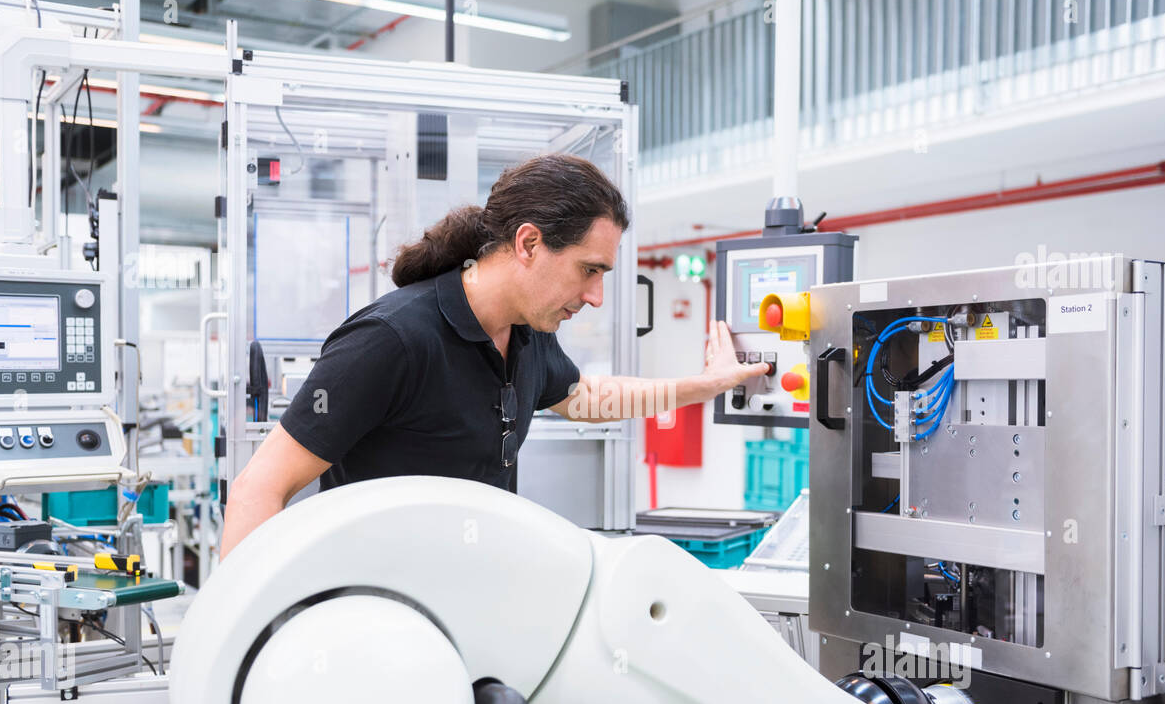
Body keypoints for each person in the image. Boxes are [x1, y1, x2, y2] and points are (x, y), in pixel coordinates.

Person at [221, 153, 769, 556]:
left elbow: (582, 397)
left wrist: (700, 387)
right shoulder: (392, 339)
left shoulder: (526, 331)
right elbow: (259, 487)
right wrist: (235, 660)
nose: (596, 296)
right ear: (529, 244)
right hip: (380, 621)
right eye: (589, 270)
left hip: (474, 600)